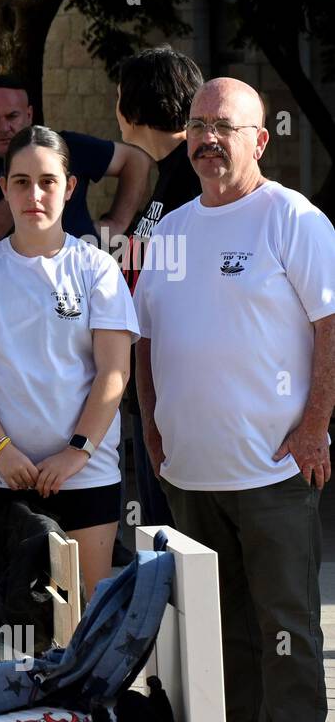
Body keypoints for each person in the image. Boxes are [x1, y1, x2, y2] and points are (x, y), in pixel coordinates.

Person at [136, 77, 334, 722]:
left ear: (260, 138)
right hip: (191, 470)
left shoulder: (294, 219)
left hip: (274, 465)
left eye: (224, 126)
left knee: (282, 616)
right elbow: (145, 337)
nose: (207, 139)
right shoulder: (172, 230)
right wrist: (152, 425)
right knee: (221, 623)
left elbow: (330, 325)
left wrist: (315, 424)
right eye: (197, 126)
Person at [0, 125, 138, 598]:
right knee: (4, 621)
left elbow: (115, 371)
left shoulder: (97, 269)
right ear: (4, 188)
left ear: (69, 188)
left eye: (48, 181)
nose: (35, 194)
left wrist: (76, 453)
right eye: (22, 182)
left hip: (84, 474)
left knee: (82, 614)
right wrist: (0, 451)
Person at [115, 46, 204, 535]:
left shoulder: (194, 179)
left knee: (178, 542)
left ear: (131, 107)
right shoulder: (169, 175)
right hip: (148, 388)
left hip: (179, 390)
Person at [0, 74, 149, 246]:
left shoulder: (65, 147)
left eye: (12, 116)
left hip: (82, 268)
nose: (4, 127)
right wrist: (19, 191)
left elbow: (136, 160)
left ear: (28, 115)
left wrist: (116, 224)